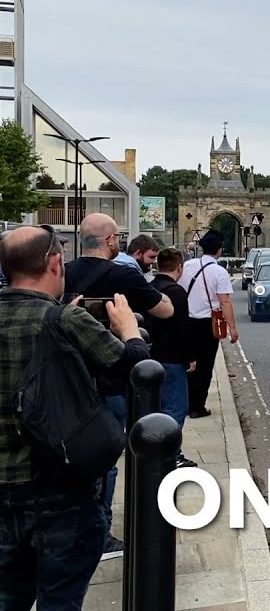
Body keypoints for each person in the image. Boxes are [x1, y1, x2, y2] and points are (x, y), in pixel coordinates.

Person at [0, 224, 149, 607]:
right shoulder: (66, 320)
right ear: (54, 262)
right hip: (57, 488)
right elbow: (134, 370)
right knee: (60, 599)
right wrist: (129, 330)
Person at [62, 213, 173, 559]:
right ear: (110, 240)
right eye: (118, 238)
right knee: (108, 458)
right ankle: (100, 531)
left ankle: (71, 525)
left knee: (70, 455)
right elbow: (166, 310)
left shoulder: (62, 274)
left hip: (69, 380)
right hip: (112, 378)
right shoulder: (124, 275)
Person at [179, 230, 240, 419]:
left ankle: (185, 402)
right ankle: (197, 406)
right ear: (219, 250)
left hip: (185, 322)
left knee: (188, 364)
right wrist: (232, 328)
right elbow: (225, 302)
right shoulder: (219, 272)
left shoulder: (187, 265)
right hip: (208, 324)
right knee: (205, 366)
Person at [148, 247, 199, 467]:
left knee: (156, 407)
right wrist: (190, 356)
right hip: (172, 357)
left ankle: (157, 450)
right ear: (180, 267)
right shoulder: (177, 292)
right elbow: (182, 328)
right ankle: (171, 454)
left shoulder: (150, 288)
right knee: (176, 408)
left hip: (151, 356)